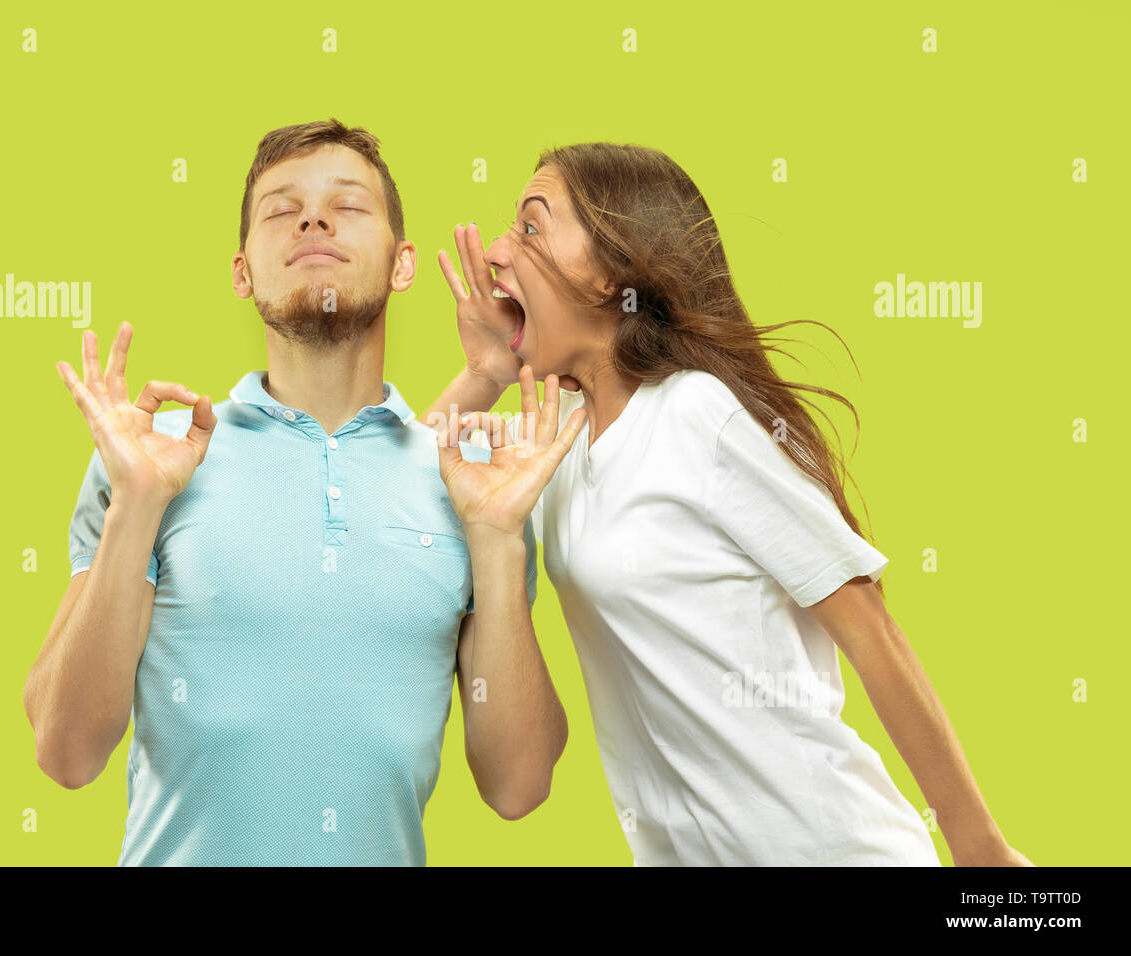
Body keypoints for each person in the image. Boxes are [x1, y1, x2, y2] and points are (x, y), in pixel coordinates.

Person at [426, 142, 1033, 867]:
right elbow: (409, 480)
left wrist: (982, 853)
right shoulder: (558, 439)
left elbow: (869, 627)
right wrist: (486, 371)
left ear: (615, 269)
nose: (496, 252)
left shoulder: (695, 415)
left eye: (531, 226)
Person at [21, 119, 584, 866]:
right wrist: (134, 509)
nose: (313, 218)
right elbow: (65, 752)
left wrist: (499, 538)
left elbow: (518, 785)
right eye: (281, 209)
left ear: (402, 263)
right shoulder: (154, 459)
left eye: (348, 205)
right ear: (242, 272)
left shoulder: (470, 480)